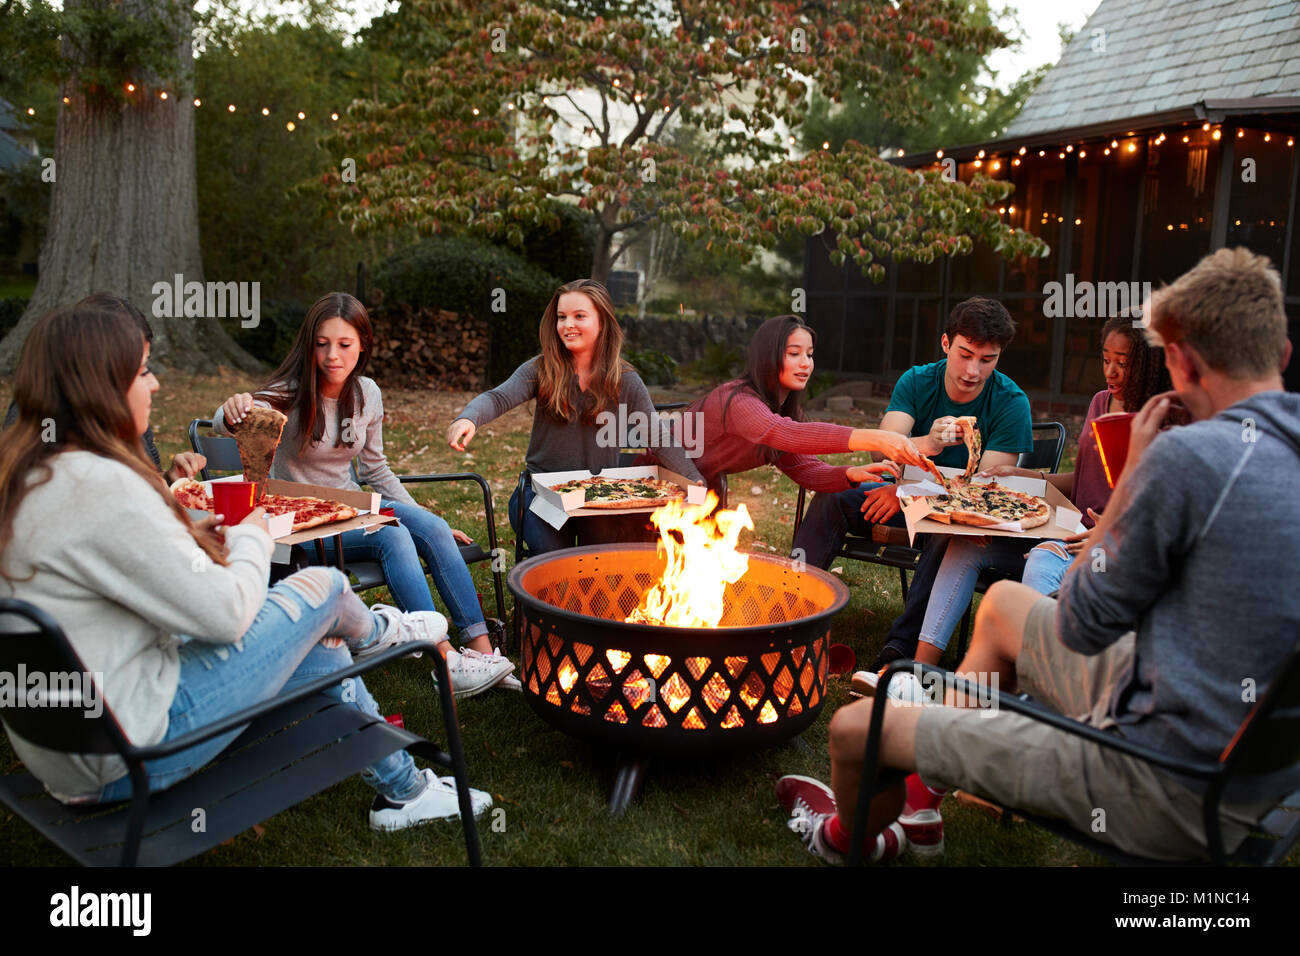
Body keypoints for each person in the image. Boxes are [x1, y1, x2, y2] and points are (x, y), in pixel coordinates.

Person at [776, 247, 1300, 864]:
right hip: (1237, 761)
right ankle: (919, 804)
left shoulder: (1184, 459)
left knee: (852, 733)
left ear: (1179, 362)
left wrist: (1131, 482)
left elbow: (1082, 624)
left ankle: (845, 840)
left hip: (1154, 773)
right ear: (1283, 355)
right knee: (1001, 606)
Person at [0, 297, 492, 830]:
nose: (156, 384)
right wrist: (253, 532)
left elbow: (118, 571)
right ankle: (380, 631)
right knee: (322, 589)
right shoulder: (104, 485)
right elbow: (228, 614)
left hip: (67, 748)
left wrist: (185, 535)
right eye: (143, 371)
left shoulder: (33, 479)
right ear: (101, 385)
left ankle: (404, 792)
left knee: (323, 649)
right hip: (128, 749)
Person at [215, 292, 515, 698]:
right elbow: (228, 422)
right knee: (392, 535)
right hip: (302, 523)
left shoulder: (368, 393)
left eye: (344, 344)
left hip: (353, 508)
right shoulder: (288, 393)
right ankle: (443, 660)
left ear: (363, 346)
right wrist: (231, 409)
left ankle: (481, 652)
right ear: (309, 346)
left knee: (431, 526)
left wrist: (420, 513)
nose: (332, 356)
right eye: (322, 344)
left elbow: (375, 469)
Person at [886, 313, 1179, 669]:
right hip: (1068, 529)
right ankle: (918, 671)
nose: (1111, 372)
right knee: (965, 544)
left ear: (1150, 365)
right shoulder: (1100, 402)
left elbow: (1169, 503)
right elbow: (1086, 478)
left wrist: (1115, 531)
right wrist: (1022, 475)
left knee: (1044, 558)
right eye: (1105, 359)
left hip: (1107, 546)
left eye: (1123, 363)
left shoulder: (1170, 417)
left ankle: (1027, 681)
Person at [792, 297, 1034, 670]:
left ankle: (900, 651)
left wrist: (909, 497)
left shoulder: (1011, 402)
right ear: (945, 343)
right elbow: (880, 450)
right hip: (901, 496)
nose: (973, 370)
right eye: (965, 354)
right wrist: (930, 445)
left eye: (987, 360)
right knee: (834, 495)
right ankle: (791, 612)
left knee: (948, 533)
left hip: (951, 518)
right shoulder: (918, 381)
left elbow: (982, 494)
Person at [448, 278, 704, 554]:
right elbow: (497, 398)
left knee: (603, 560)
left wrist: (694, 480)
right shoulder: (541, 369)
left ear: (603, 322)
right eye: (561, 317)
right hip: (541, 496)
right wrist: (469, 418)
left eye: (579, 316)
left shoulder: (625, 379)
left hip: (598, 498)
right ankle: (542, 597)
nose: (567, 325)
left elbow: (658, 437)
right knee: (554, 558)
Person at [645, 314, 929, 502]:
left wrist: (847, 474)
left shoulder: (783, 411)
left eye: (810, 354)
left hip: (700, 494)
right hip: (655, 486)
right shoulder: (738, 401)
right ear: (769, 356)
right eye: (794, 354)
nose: (806, 363)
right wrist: (875, 437)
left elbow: (804, 468)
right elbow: (781, 433)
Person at [2, 292, 208, 485]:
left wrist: (170, 478)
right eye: (135, 369)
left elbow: (149, 478)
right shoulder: (46, 420)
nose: (153, 383)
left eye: (142, 367)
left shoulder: (123, 410)